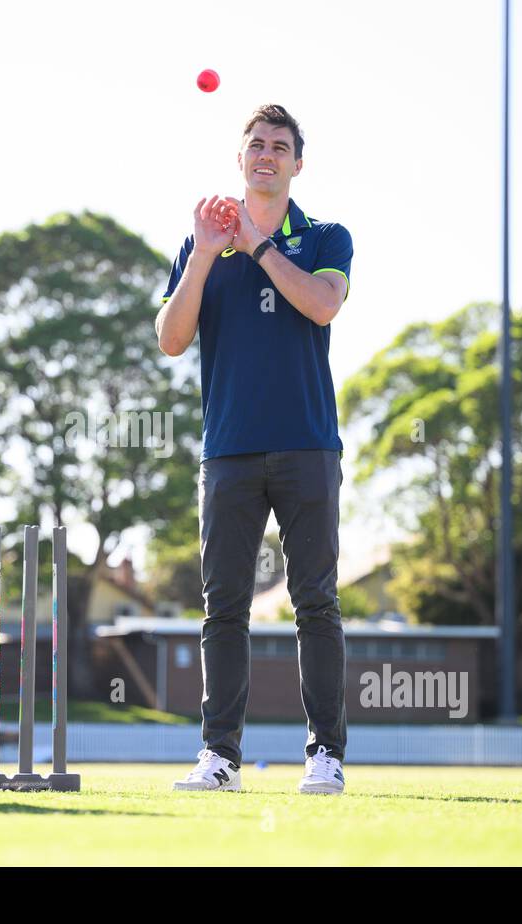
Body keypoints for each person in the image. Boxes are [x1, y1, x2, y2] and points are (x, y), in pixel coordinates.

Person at [155, 104, 353, 795]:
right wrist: (209, 250)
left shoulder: (326, 236)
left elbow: (323, 305)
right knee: (223, 609)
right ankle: (220, 759)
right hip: (229, 451)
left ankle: (325, 756)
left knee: (316, 604)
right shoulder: (203, 242)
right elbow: (171, 338)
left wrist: (259, 246)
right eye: (256, 146)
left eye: (280, 147)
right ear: (239, 160)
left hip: (307, 446)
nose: (267, 155)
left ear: (298, 163)